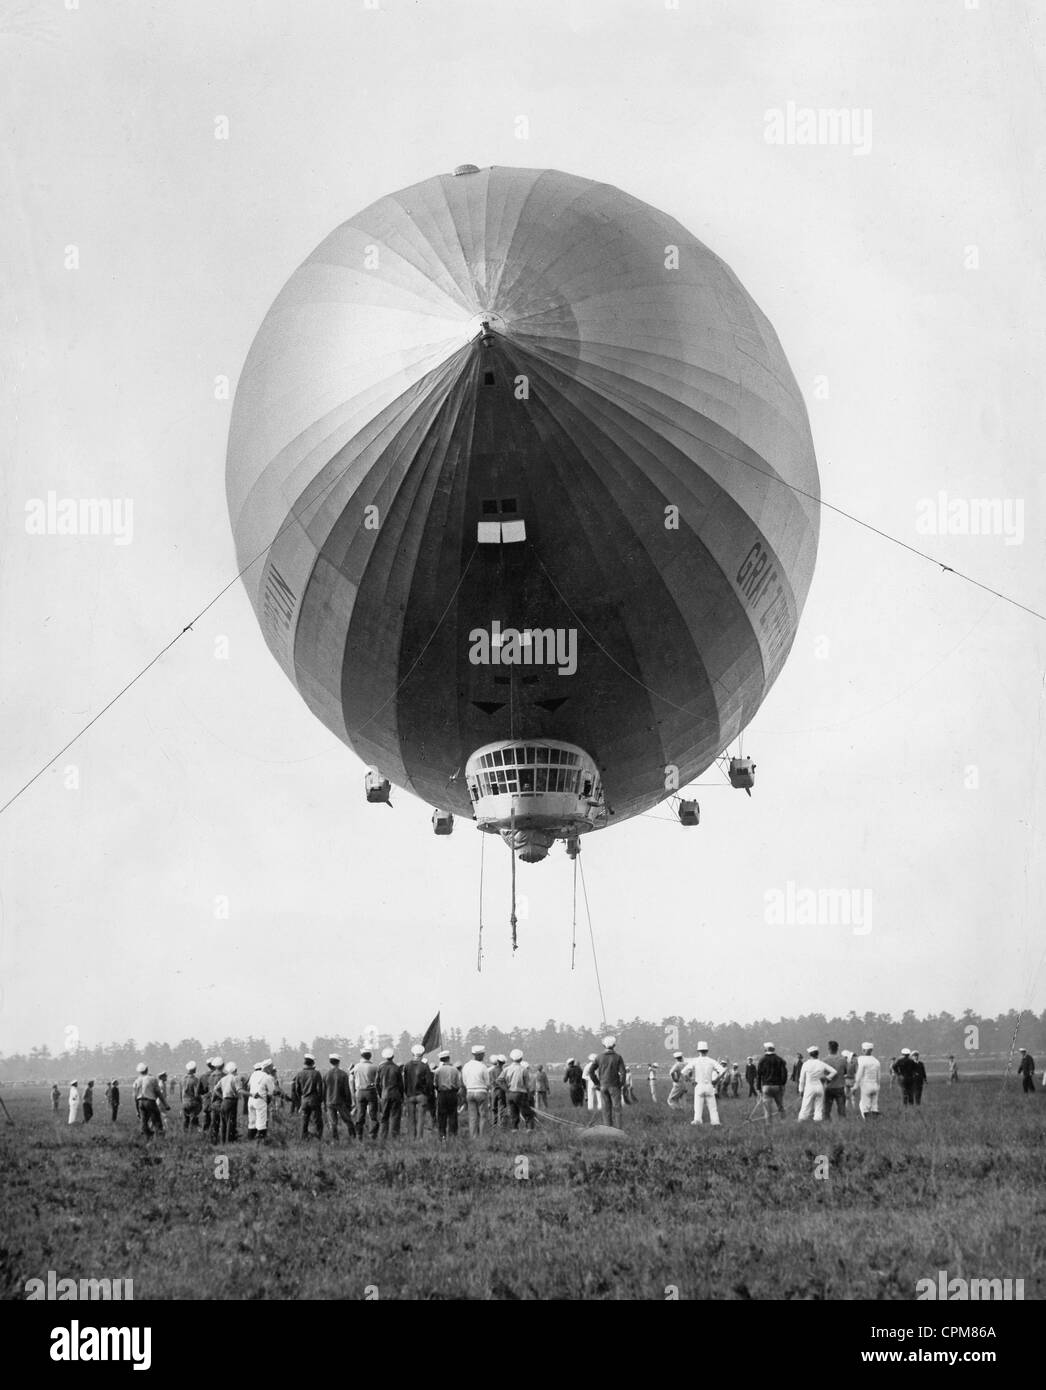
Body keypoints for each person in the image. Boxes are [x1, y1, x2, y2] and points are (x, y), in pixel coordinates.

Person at [684, 1044, 723, 1126]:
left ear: (698, 1051)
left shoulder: (695, 1061)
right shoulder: (712, 1061)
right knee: (713, 1107)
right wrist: (716, 1080)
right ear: (707, 1051)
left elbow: (684, 1072)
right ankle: (715, 1122)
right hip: (709, 1085)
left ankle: (697, 1120)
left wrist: (691, 1080)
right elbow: (723, 1071)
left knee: (698, 1106)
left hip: (699, 1085)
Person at [797, 1046, 837, 1122]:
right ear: (817, 1054)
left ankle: (801, 1122)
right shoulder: (821, 1064)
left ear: (809, 1054)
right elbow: (834, 1071)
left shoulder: (806, 1064)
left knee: (805, 1106)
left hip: (809, 1087)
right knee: (819, 1107)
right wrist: (827, 1078)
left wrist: (800, 1090)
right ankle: (817, 1122)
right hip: (819, 1087)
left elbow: (801, 1079)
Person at [403, 1044, 434, 1139]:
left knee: (411, 1118)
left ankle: (412, 1137)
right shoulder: (425, 1066)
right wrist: (429, 1094)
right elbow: (429, 1082)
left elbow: (405, 1081)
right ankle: (419, 1138)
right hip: (422, 1095)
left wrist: (406, 1093)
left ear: (413, 1053)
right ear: (422, 1054)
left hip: (410, 1094)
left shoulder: (407, 1065)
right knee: (421, 1118)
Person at [462, 1045, 492, 1136]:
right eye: (483, 1054)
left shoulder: (466, 1066)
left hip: (470, 1091)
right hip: (481, 1091)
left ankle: (473, 1136)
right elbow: (487, 1082)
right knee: (483, 1116)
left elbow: (464, 1081)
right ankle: (483, 1136)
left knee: (472, 1117)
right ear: (480, 1055)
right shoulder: (483, 1067)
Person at [597, 1036, 627, 1127]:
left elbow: (591, 1071)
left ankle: (608, 1128)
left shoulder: (599, 1057)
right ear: (614, 1045)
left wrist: (597, 1083)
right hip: (614, 1086)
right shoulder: (618, 1057)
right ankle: (618, 1130)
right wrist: (621, 1084)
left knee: (606, 1109)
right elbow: (623, 1072)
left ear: (604, 1045)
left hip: (603, 1086)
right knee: (617, 1109)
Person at [324, 1053, 356, 1141]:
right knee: (348, 1120)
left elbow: (324, 1090)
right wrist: (349, 1103)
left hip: (329, 1102)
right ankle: (353, 1137)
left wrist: (324, 1103)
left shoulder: (326, 1074)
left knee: (333, 1123)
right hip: (340, 1102)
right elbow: (347, 1091)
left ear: (330, 1062)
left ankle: (335, 1140)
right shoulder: (343, 1074)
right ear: (338, 1062)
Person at [294, 1053, 325, 1140]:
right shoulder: (316, 1073)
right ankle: (318, 1137)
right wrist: (320, 1099)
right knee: (317, 1120)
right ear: (312, 1063)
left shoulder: (299, 1074)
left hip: (304, 1100)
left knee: (304, 1120)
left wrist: (301, 1097)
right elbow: (319, 1089)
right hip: (314, 1100)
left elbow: (297, 1089)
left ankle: (303, 1137)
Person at [501, 1049, 534, 1131]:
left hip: (510, 1094)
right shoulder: (523, 1069)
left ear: (511, 1059)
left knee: (513, 1113)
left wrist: (506, 1090)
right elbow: (527, 1085)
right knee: (527, 1113)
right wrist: (529, 1096)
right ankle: (529, 1130)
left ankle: (514, 1130)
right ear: (521, 1059)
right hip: (520, 1093)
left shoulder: (506, 1069)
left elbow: (499, 1080)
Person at [756, 1043, 788, 1123]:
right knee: (780, 1106)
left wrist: (758, 1088)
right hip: (778, 1086)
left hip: (766, 1086)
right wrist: (783, 1084)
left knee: (767, 1108)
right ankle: (784, 1123)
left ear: (765, 1049)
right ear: (773, 1049)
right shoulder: (780, 1060)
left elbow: (759, 1075)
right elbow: (784, 1073)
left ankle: (769, 1124)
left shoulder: (762, 1060)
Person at [433, 1050, 462, 1139]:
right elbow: (458, 1084)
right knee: (453, 1114)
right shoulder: (455, 1070)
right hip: (452, 1093)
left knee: (442, 1115)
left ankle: (442, 1135)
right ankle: (453, 1134)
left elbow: (435, 1084)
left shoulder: (437, 1071)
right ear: (448, 1058)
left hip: (442, 1094)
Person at [376, 1047, 404, 1139]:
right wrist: (401, 1095)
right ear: (393, 1056)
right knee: (395, 1117)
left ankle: (382, 1137)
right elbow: (401, 1084)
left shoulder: (380, 1068)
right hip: (395, 1095)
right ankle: (394, 1136)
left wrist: (380, 1094)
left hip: (384, 1095)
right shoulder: (396, 1068)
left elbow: (377, 1083)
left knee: (384, 1117)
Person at [352, 1049, 380, 1139]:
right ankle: (372, 1134)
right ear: (370, 1056)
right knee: (372, 1115)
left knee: (360, 1114)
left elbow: (352, 1077)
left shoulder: (356, 1067)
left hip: (360, 1092)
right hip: (371, 1091)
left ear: (361, 1056)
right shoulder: (374, 1067)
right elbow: (377, 1080)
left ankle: (359, 1135)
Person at [248, 1060, 277, 1143]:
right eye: (271, 1068)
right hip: (260, 1101)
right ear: (268, 1068)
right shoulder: (267, 1077)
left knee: (252, 1122)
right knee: (261, 1123)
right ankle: (262, 1141)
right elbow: (271, 1093)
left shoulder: (254, 1074)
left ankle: (250, 1140)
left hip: (251, 1100)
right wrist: (268, 1102)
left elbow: (249, 1085)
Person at [137, 1064, 168, 1138]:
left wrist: (137, 1109)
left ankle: (146, 1136)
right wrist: (166, 1104)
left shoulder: (137, 1080)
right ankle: (159, 1137)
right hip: (150, 1101)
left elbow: (135, 1096)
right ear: (147, 1069)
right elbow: (159, 1093)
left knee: (144, 1120)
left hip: (140, 1102)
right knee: (157, 1119)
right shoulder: (152, 1079)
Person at [853, 1043, 881, 1120]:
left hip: (866, 1085)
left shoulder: (861, 1060)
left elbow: (859, 1074)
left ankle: (867, 1121)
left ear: (863, 1050)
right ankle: (875, 1121)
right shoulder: (876, 1061)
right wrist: (878, 1085)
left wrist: (855, 1086)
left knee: (864, 1105)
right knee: (874, 1106)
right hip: (875, 1085)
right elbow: (879, 1076)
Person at [823, 1041, 847, 1119]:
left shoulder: (824, 1060)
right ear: (837, 1048)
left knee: (827, 1109)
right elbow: (845, 1072)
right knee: (841, 1109)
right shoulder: (843, 1060)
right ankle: (842, 1123)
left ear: (828, 1049)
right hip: (840, 1086)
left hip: (829, 1087)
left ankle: (826, 1122)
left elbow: (823, 1074)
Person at [218, 1063, 240, 1142]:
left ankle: (222, 1141)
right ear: (235, 1070)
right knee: (230, 1122)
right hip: (231, 1101)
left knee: (223, 1123)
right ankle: (230, 1141)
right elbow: (238, 1090)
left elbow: (215, 1089)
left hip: (224, 1101)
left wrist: (221, 1096)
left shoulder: (223, 1078)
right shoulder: (235, 1078)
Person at [208, 1058, 225, 1142]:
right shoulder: (223, 1076)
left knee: (214, 1122)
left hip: (213, 1101)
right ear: (222, 1065)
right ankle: (223, 1139)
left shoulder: (211, 1076)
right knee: (224, 1122)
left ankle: (213, 1139)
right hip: (221, 1100)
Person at [182, 1062, 202, 1130]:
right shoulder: (195, 1080)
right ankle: (194, 1129)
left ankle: (185, 1133)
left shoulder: (182, 1079)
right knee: (193, 1118)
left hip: (185, 1102)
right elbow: (197, 1094)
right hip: (193, 1102)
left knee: (186, 1120)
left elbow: (180, 1093)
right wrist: (200, 1101)